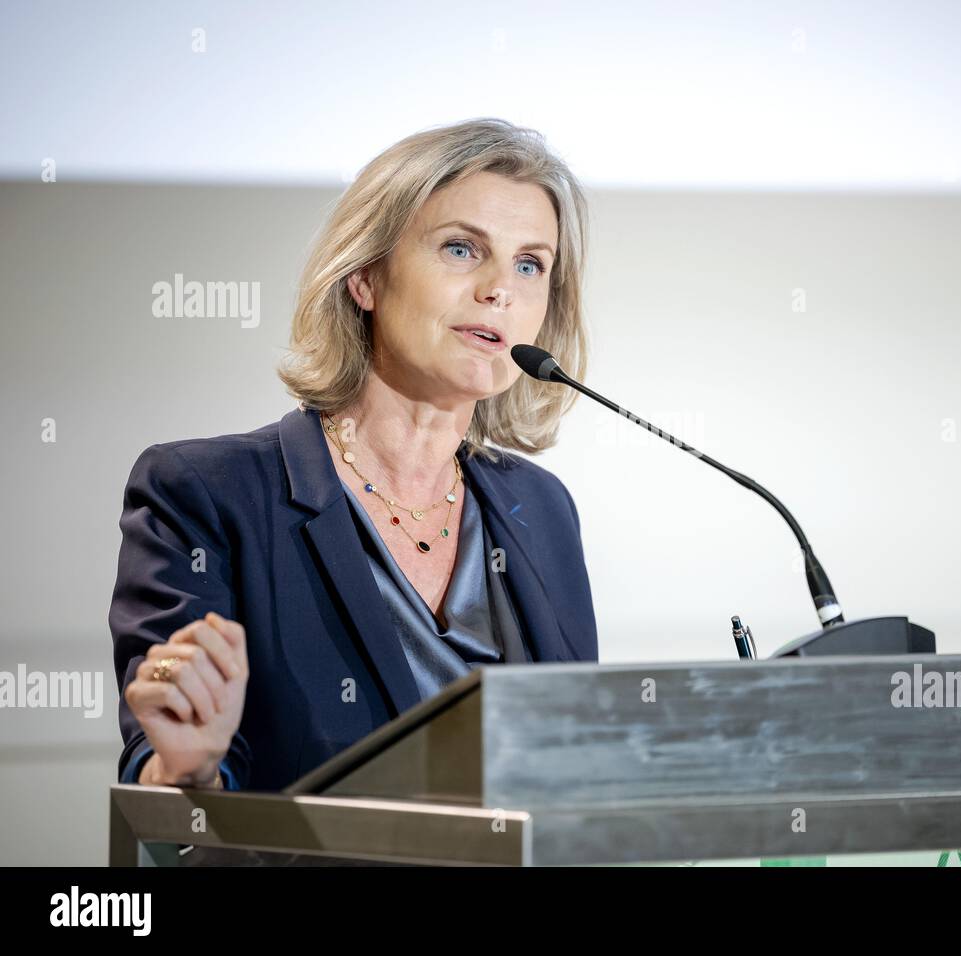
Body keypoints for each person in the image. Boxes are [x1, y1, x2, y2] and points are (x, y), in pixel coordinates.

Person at [110, 118, 598, 792]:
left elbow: (577, 774)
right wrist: (186, 764)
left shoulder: (542, 508)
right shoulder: (206, 494)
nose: (500, 289)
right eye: (461, 249)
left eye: (529, 263)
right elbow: (172, 788)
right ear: (365, 277)